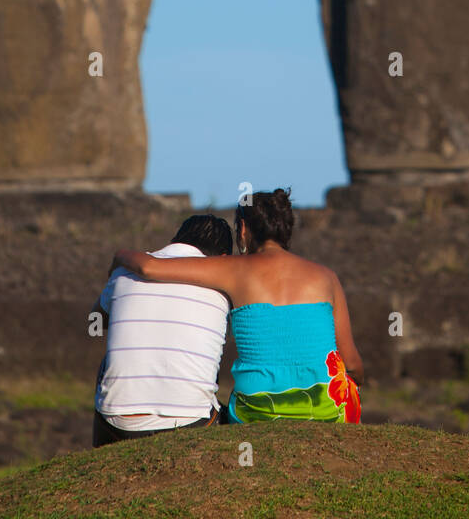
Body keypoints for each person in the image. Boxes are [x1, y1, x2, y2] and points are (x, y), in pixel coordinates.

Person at [111, 188, 363, 425]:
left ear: (243, 230)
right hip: (325, 408)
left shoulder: (233, 269)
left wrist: (120, 255)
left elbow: (149, 268)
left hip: (255, 410)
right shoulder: (326, 277)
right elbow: (352, 363)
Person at [92, 213, 233, 447]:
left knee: (107, 364)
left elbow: (95, 320)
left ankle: (98, 458)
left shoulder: (127, 269)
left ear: (176, 239)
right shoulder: (223, 283)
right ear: (224, 257)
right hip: (192, 423)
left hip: (118, 426)